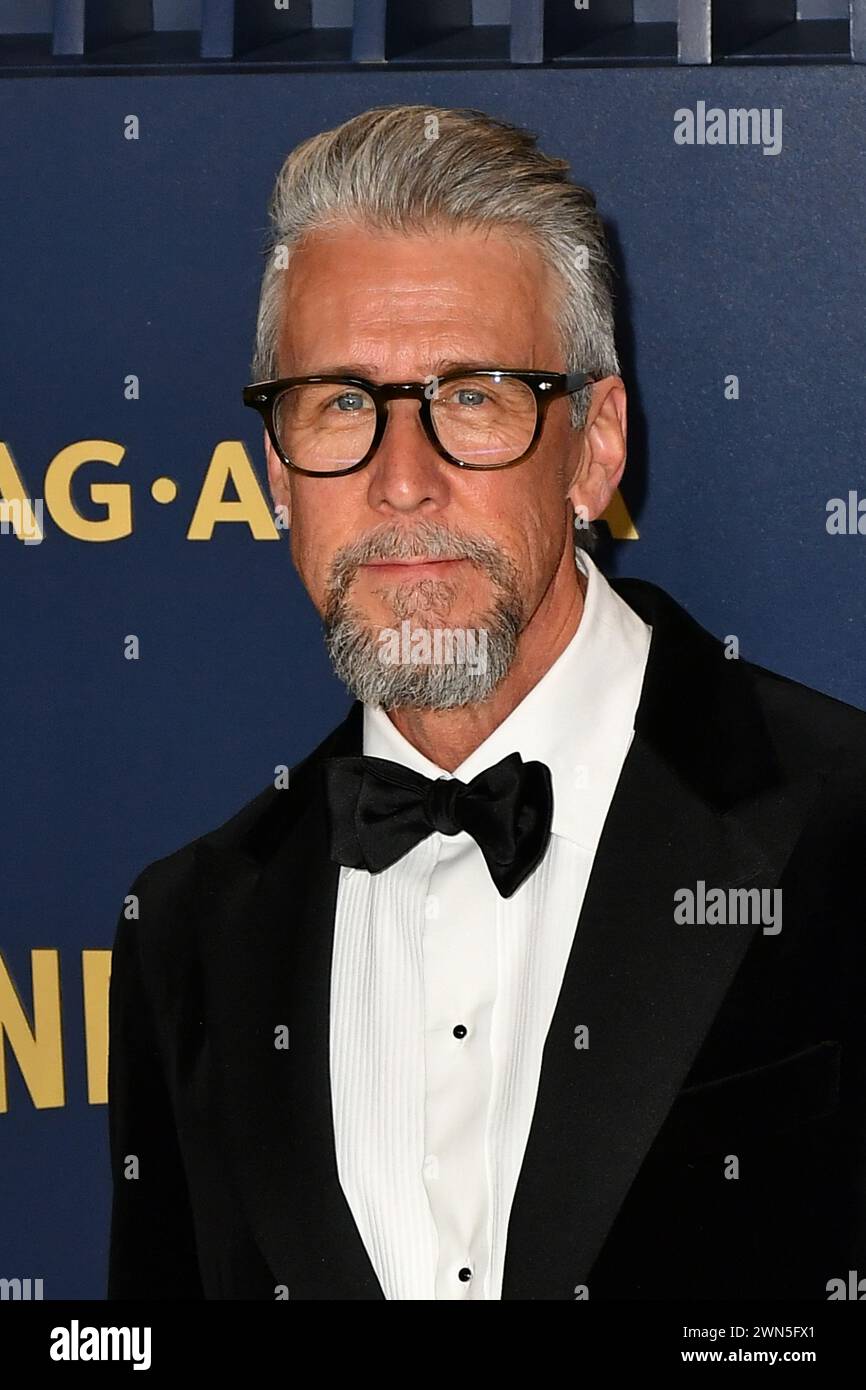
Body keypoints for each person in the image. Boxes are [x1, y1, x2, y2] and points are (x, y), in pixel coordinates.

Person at [107, 104, 866, 1301]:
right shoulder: (188, 934)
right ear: (276, 472)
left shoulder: (840, 826)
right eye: (341, 404)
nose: (400, 482)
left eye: (472, 397)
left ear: (594, 447)